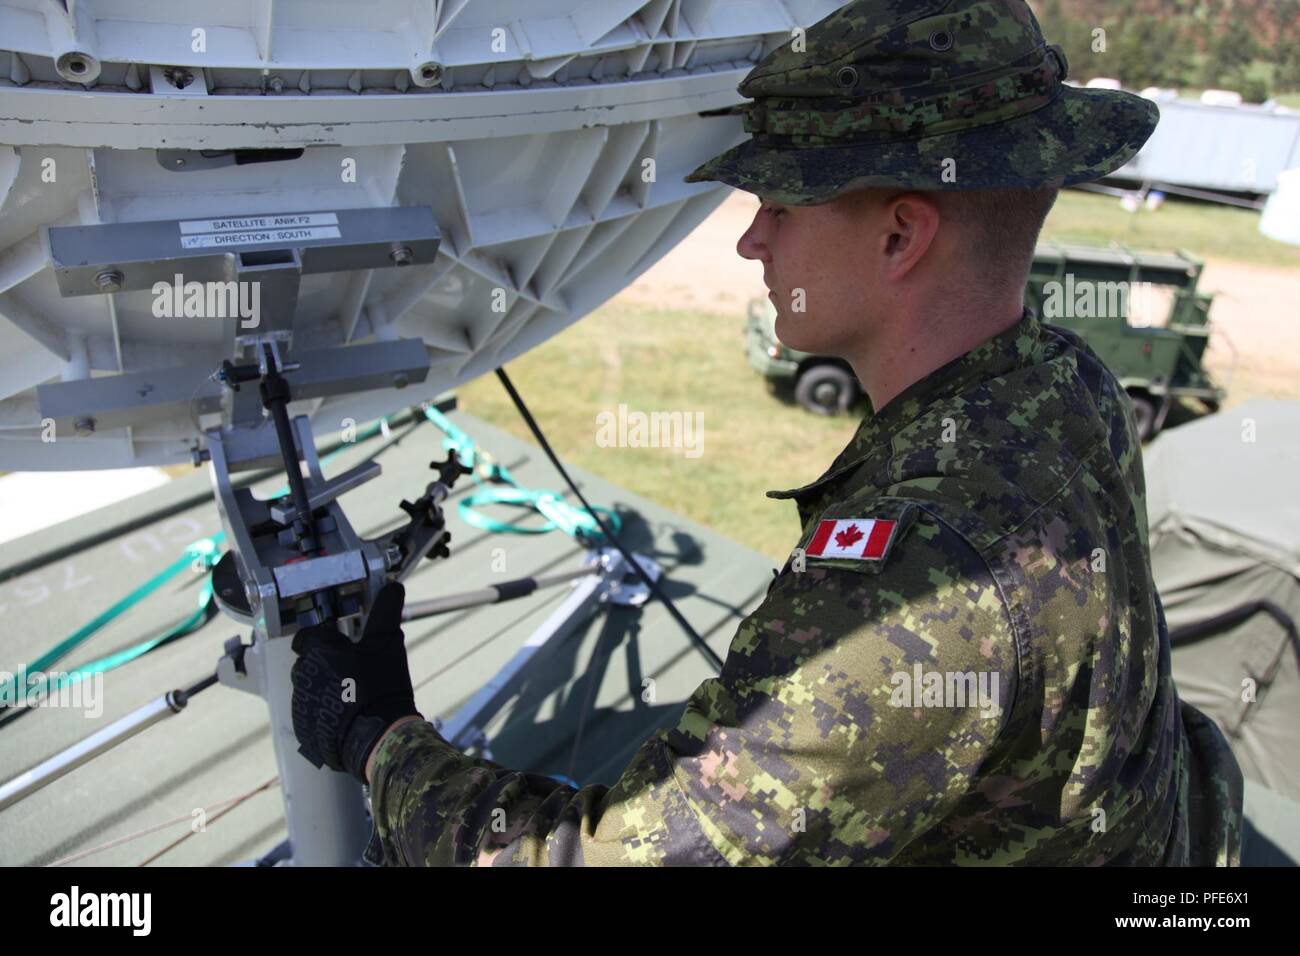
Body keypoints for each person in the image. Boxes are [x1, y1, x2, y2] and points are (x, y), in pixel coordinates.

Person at [290, 0, 1243, 866]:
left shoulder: (925, 588)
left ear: (901, 236)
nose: (752, 241)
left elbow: (611, 862)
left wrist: (377, 738)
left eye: (781, 204)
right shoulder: (1067, 385)